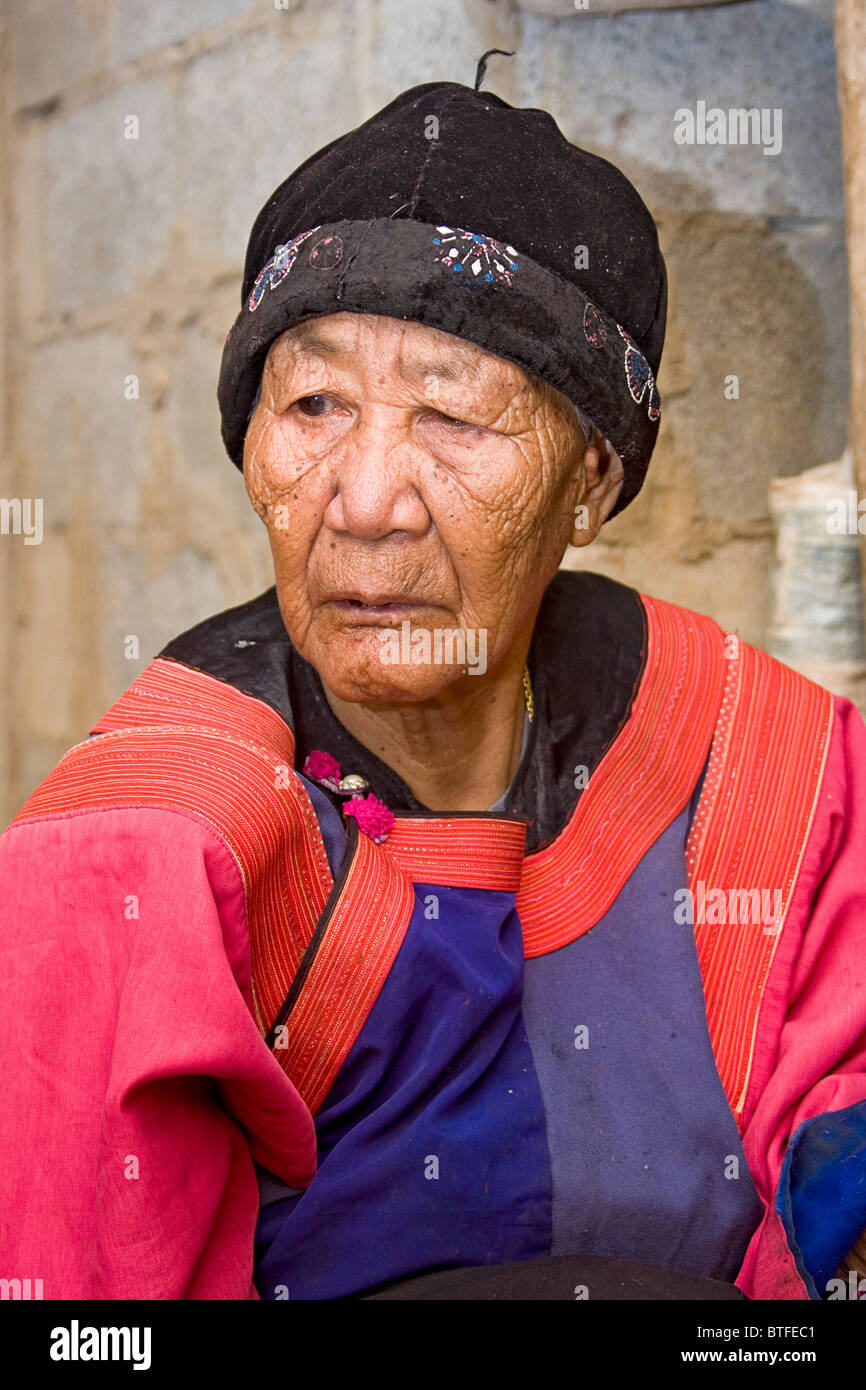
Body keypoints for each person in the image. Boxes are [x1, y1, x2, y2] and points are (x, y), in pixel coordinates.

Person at [1, 65, 865, 1302]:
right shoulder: (138, 856)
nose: (362, 503)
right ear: (249, 448)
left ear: (590, 486)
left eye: (452, 418)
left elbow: (837, 1103)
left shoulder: (760, 760)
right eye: (311, 404)